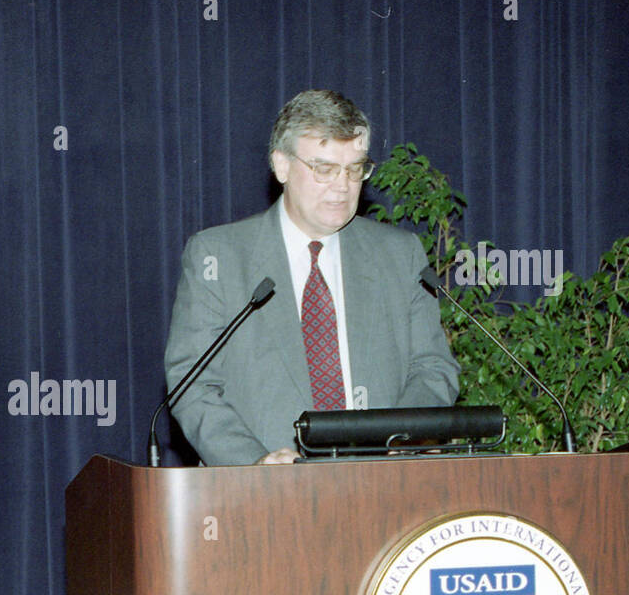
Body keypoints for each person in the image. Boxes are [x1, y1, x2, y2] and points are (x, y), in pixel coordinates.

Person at [164, 90, 459, 466]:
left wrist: (402, 437)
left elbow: (433, 367)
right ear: (281, 166)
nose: (343, 186)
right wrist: (253, 465)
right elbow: (193, 383)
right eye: (325, 169)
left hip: (384, 486)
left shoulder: (400, 255)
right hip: (264, 496)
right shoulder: (219, 256)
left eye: (355, 169)